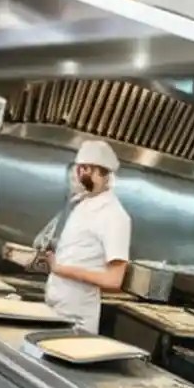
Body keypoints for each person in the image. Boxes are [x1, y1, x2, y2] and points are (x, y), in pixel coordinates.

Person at [36, 140, 132, 334]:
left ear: (104, 174)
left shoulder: (115, 216)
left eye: (87, 169)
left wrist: (61, 268)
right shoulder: (81, 204)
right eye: (79, 168)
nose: (80, 175)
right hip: (53, 308)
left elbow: (113, 280)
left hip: (76, 319)